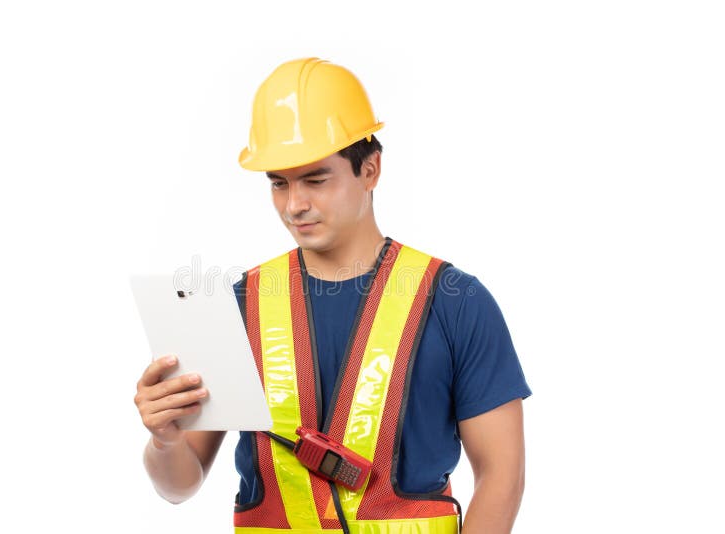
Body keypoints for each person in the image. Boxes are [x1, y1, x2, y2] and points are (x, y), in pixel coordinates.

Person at [134, 57, 532, 534]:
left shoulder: (456, 302)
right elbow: (179, 486)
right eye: (278, 183)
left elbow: (502, 475)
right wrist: (164, 440)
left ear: (370, 169)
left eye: (315, 180)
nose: (294, 204)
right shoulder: (237, 306)